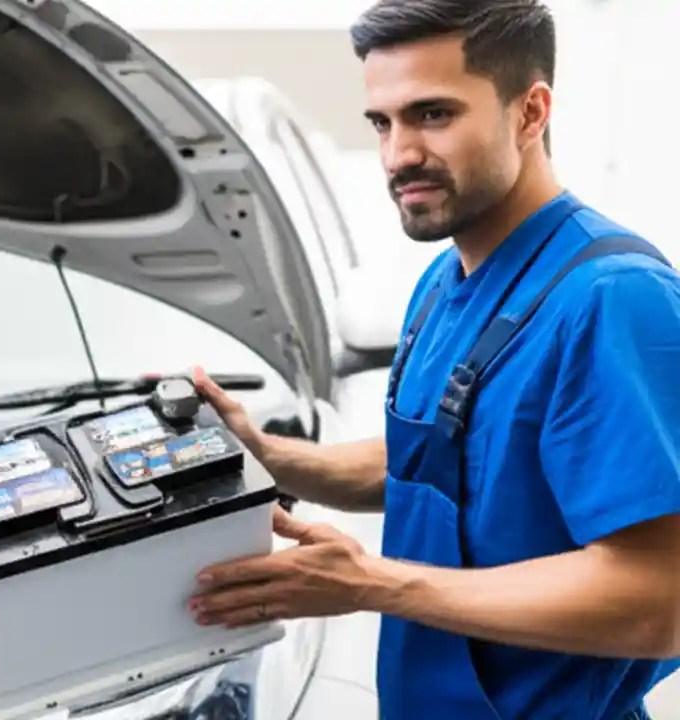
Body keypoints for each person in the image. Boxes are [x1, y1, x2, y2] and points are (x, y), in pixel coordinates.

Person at [187, 1, 680, 719]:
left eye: (433, 115)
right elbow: (441, 457)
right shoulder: (445, 283)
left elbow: (657, 600)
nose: (398, 154)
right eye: (381, 123)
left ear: (530, 112)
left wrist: (369, 583)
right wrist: (268, 458)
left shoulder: (611, 299)